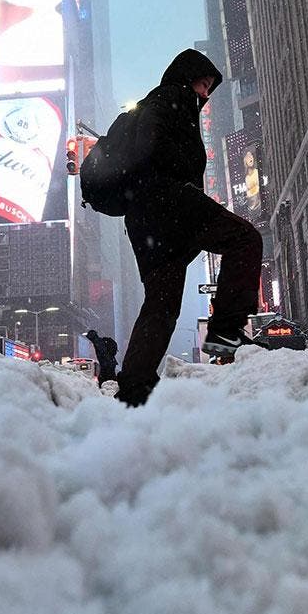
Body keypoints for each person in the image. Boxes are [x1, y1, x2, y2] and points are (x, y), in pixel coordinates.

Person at [114, 49, 264, 407]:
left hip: (144, 221)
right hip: (171, 203)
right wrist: (184, 178)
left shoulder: (152, 105)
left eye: (209, 87)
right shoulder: (173, 99)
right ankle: (225, 334)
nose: (205, 93)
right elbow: (155, 149)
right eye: (204, 83)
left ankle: (134, 388)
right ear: (187, 77)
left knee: (161, 305)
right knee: (245, 238)